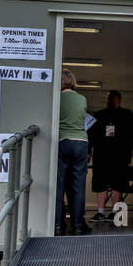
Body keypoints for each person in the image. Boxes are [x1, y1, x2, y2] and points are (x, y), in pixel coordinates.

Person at [89, 90, 133, 223]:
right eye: (108, 98)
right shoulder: (99, 115)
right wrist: (88, 151)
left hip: (120, 157)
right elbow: (91, 136)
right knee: (100, 184)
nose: (110, 101)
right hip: (101, 156)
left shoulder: (127, 115)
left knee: (117, 184)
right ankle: (100, 213)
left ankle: (114, 213)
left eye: (112, 98)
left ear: (119, 100)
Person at [57, 69, 91, 235]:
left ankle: (57, 224)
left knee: (59, 184)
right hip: (81, 142)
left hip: (63, 141)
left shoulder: (57, 98)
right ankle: (78, 225)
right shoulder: (82, 99)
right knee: (78, 186)